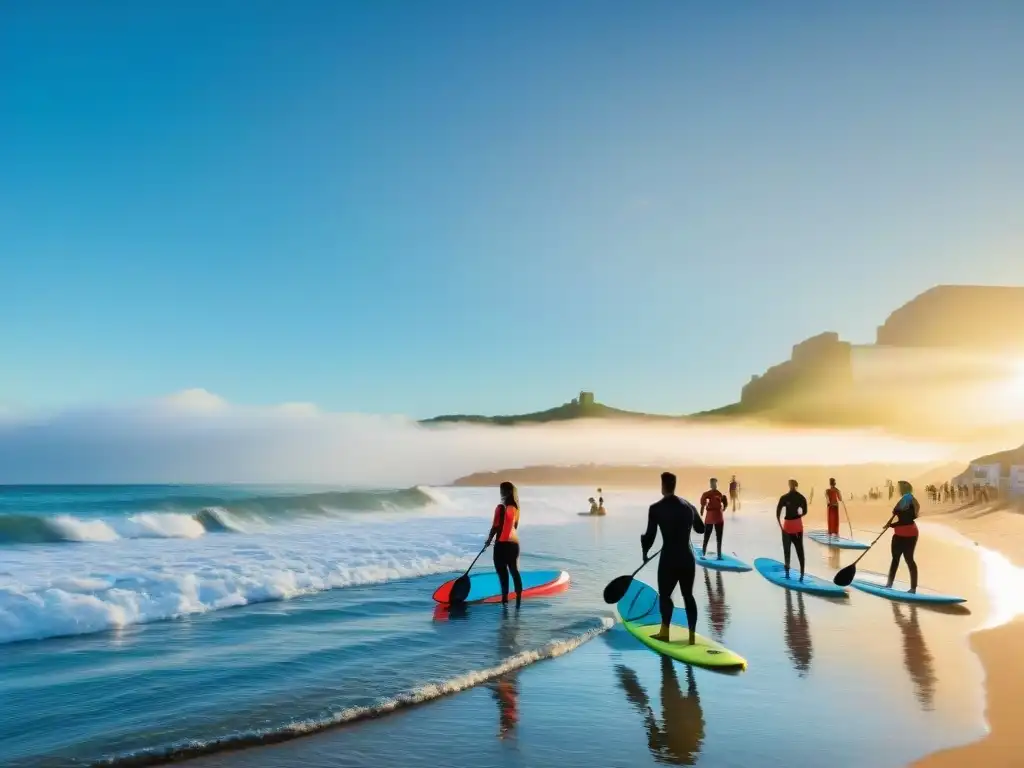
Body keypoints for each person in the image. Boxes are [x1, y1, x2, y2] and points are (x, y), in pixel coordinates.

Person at [641, 472, 706, 644]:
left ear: (662, 486)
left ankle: (664, 632)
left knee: (665, 595)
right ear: (674, 485)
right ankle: (692, 636)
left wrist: (644, 553)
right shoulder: (688, 506)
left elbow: (650, 536)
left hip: (669, 558)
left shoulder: (655, 508)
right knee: (688, 596)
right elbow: (701, 529)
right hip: (687, 558)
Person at [486, 481, 523, 607]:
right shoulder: (516, 509)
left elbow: (495, 526)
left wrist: (489, 540)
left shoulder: (501, 508)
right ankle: (518, 600)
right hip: (514, 545)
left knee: (503, 574)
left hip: (502, 545)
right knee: (514, 571)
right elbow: (514, 527)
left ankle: (505, 600)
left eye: (502, 490)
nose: (500, 492)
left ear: (506, 492)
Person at [885, 480, 920, 593]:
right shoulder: (913, 500)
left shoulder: (906, 499)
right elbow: (907, 517)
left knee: (896, 560)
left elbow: (905, 519)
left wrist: (892, 525)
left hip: (903, 534)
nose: (898, 490)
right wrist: (890, 523)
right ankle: (913, 588)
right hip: (911, 533)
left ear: (903, 489)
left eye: (899, 488)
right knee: (909, 560)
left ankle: (889, 585)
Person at [776, 479, 808, 581]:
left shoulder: (785, 497)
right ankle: (802, 574)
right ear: (796, 486)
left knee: (787, 551)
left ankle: (787, 574)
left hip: (788, 526)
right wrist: (799, 515)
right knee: (800, 550)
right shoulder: (801, 497)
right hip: (797, 526)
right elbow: (805, 511)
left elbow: (778, 512)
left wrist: (781, 526)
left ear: (789, 485)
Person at [699, 478, 728, 559]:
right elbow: (724, 502)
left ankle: (704, 554)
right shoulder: (718, 494)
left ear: (712, 484)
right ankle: (718, 555)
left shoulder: (709, 493)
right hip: (717, 516)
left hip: (712, 517)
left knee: (707, 536)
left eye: (712, 483)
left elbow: (703, 502)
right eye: (712, 483)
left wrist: (702, 508)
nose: (712, 485)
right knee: (718, 537)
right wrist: (724, 508)